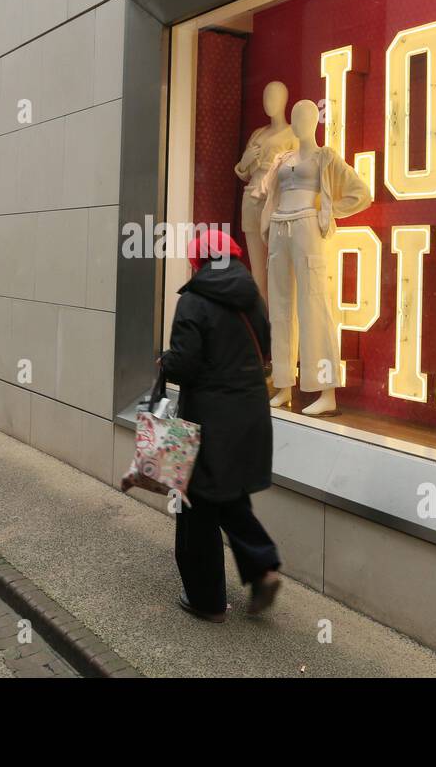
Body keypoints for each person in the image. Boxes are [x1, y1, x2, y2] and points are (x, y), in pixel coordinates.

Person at [153, 228, 282, 623]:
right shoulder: (252, 298)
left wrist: (165, 362)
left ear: (198, 262)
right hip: (251, 415)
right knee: (227, 495)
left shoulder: (194, 300)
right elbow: (265, 348)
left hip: (209, 420)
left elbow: (187, 363)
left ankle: (207, 600)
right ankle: (262, 569)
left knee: (197, 507)